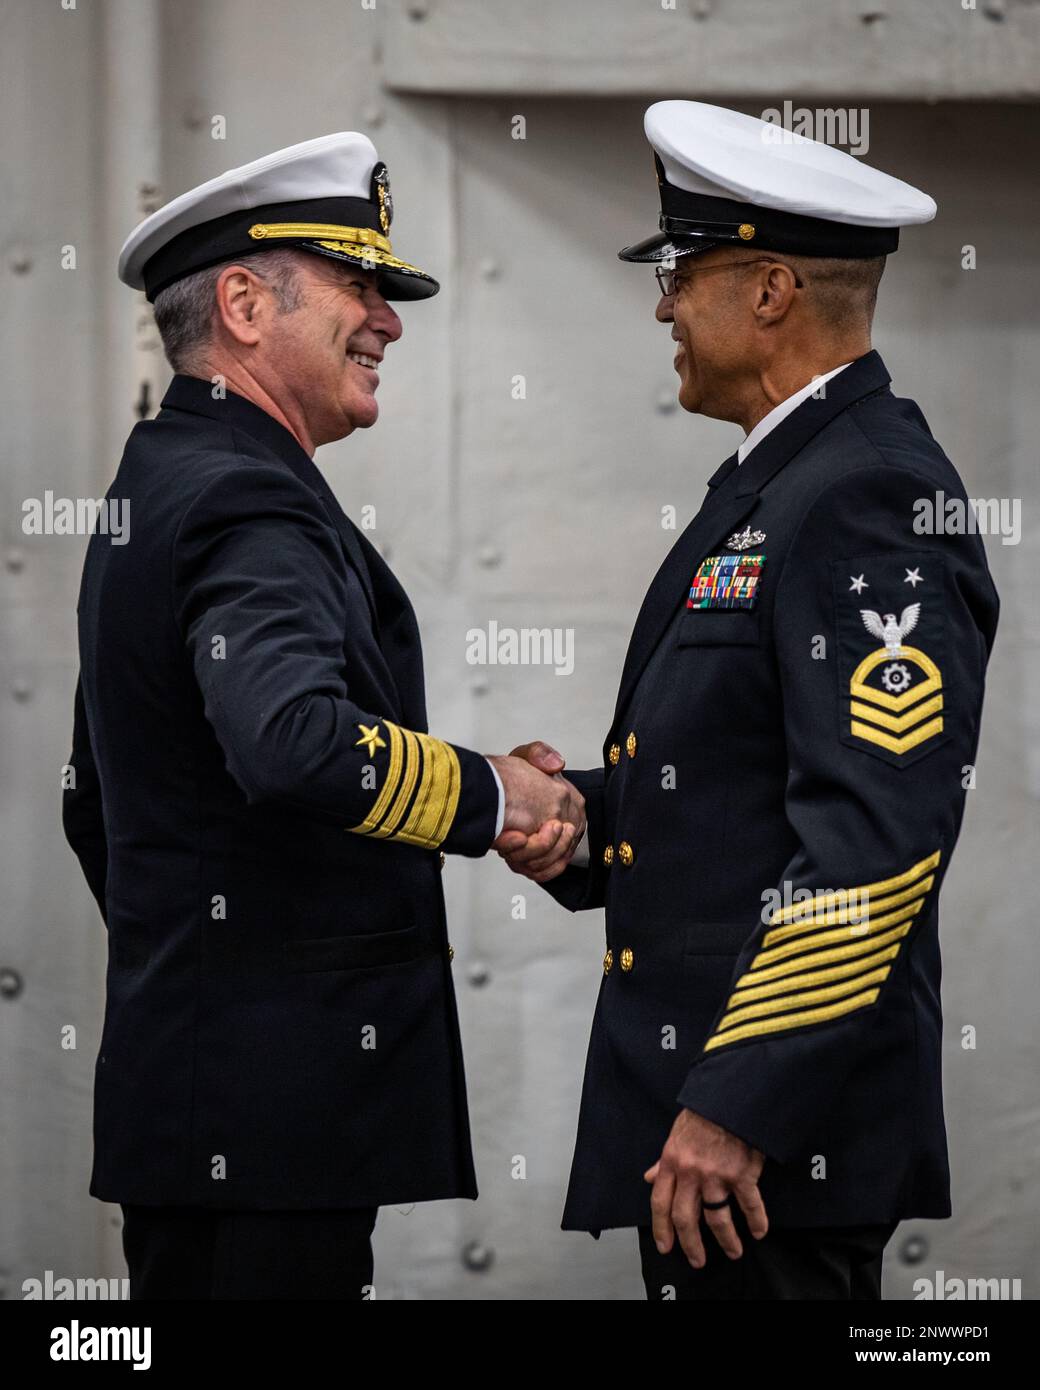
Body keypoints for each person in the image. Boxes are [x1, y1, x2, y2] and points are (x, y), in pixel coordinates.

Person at [61, 131, 584, 1300]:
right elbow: (294, 744)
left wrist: (204, 970)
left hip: (209, 1100)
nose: (387, 320)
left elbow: (92, 803)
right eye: (358, 285)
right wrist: (498, 800)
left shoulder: (162, 482)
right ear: (244, 304)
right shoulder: (248, 496)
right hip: (273, 1118)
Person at [497, 101, 999, 1300]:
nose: (662, 303)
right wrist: (578, 816)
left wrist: (735, 1101)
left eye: (679, 269)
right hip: (718, 1139)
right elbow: (741, 786)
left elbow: (872, 845)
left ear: (768, 289)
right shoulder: (786, 480)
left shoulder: (863, 493)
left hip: (765, 1155)